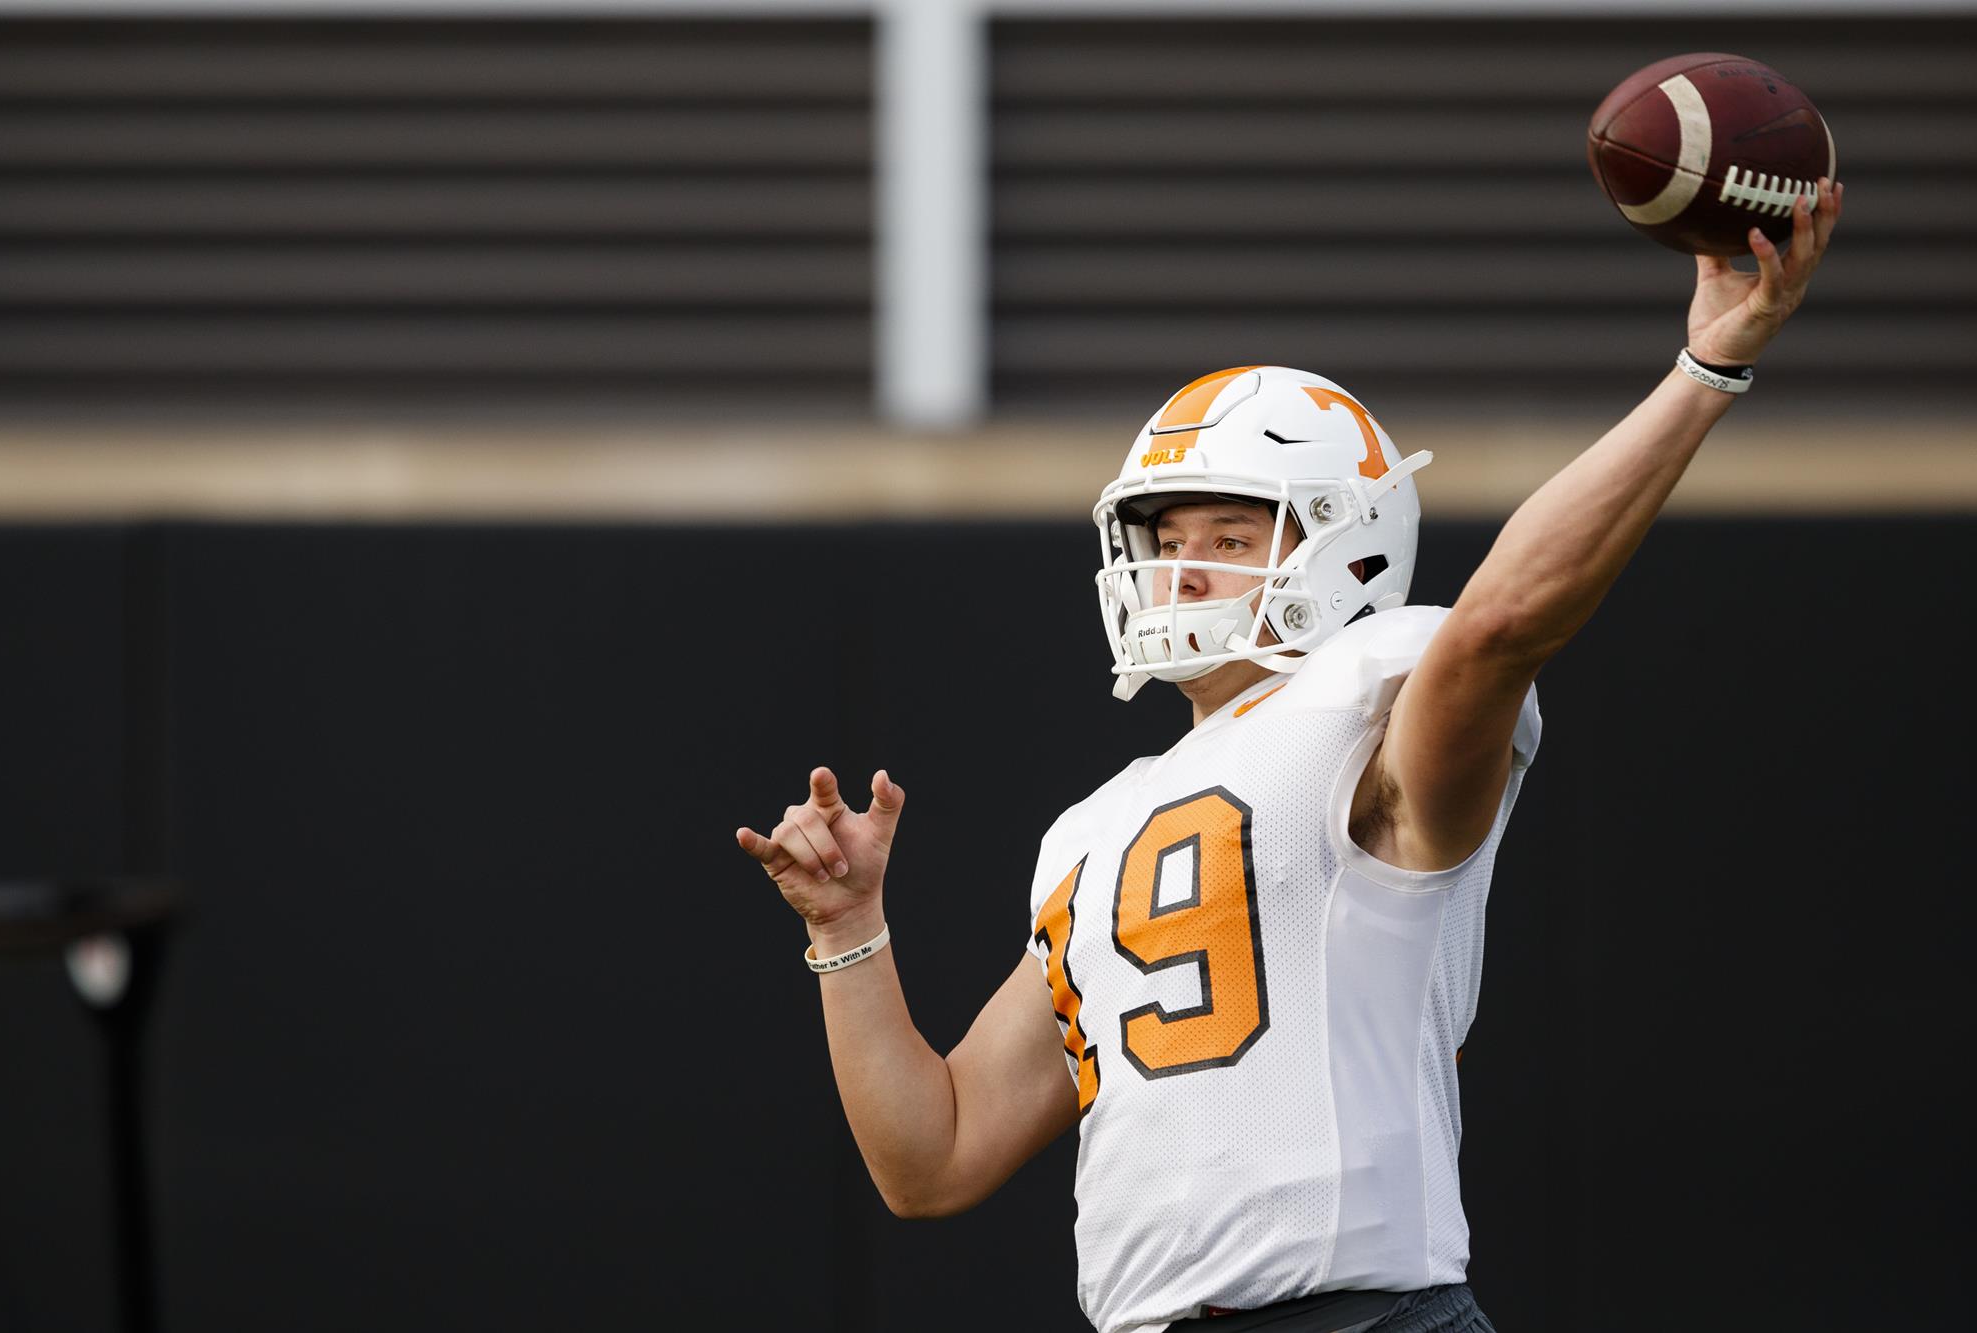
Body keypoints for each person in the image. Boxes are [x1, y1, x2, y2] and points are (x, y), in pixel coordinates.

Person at [736, 185, 1841, 1333]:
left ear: (1345, 544)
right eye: (1166, 541)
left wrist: (1700, 372)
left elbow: (1503, 618)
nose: (1182, 569)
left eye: (1227, 536)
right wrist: (845, 934)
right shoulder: (1091, 827)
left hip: (1355, 1312)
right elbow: (936, 1158)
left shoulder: (1366, 702)